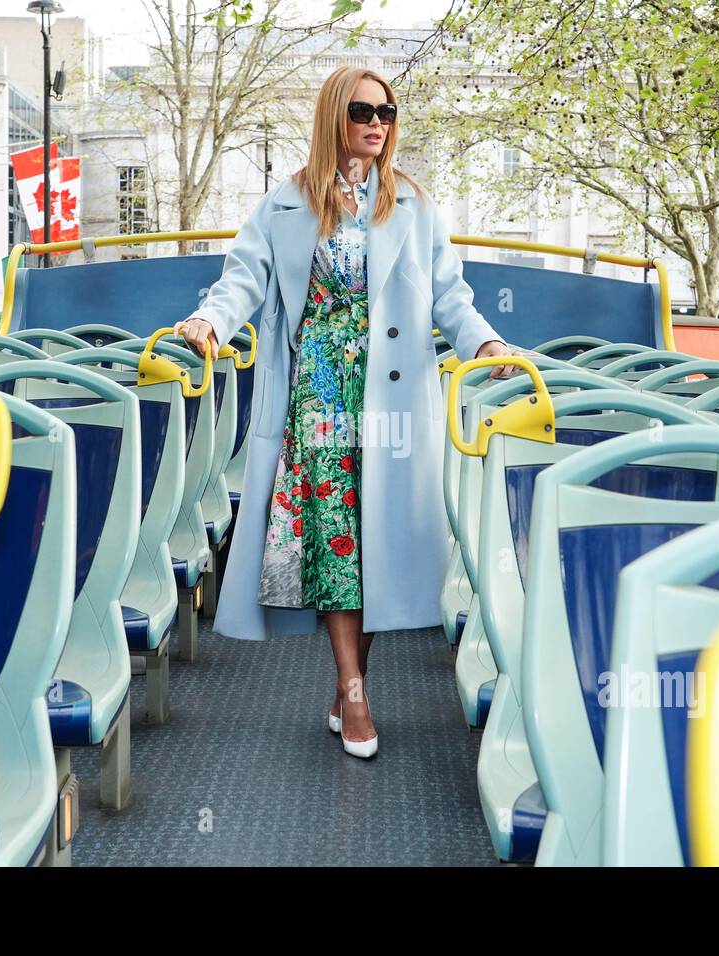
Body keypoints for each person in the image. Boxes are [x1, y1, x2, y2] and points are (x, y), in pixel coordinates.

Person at [174, 66, 514, 758]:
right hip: (322, 387)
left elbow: (451, 294)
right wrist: (209, 321)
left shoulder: (414, 205)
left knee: (377, 535)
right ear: (335, 114)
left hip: (393, 395)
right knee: (335, 537)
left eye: (387, 111)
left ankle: (350, 680)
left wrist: (485, 339)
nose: (378, 121)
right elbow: (243, 277)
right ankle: (353, 687)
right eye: (363, 109)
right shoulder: (287, 203)